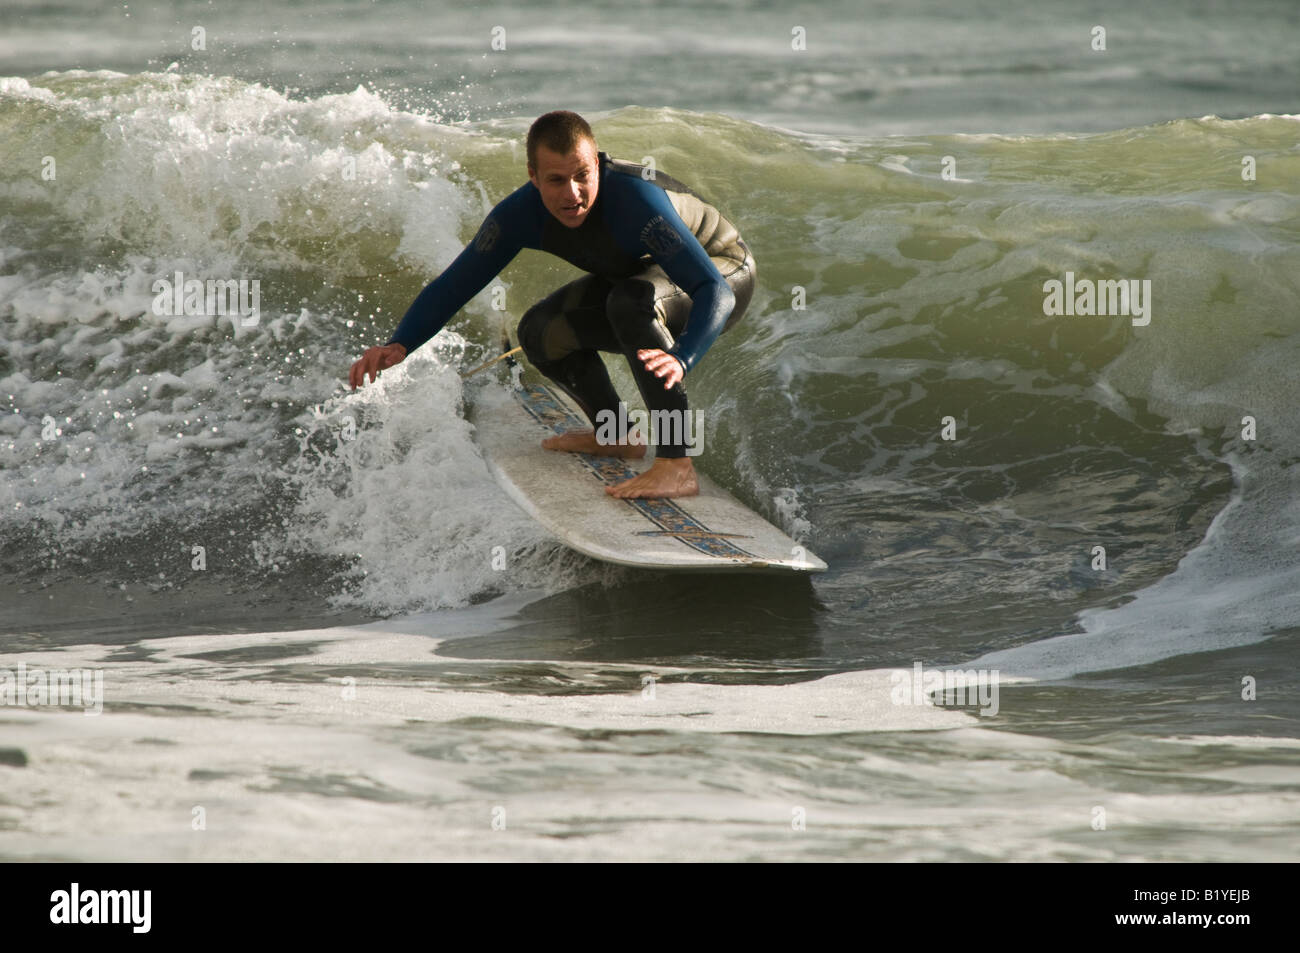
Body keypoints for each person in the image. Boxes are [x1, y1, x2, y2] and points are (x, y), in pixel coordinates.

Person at [348, 110, 755, 499]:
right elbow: (456, 284)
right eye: (556, 180)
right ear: (533, 177)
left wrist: (682, 358)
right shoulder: (518, 216)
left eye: (582, 176)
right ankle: (615, 434)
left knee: (630, 304)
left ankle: (676, 463)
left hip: (722, 272)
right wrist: (400, 343)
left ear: (596, 164)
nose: (572, 194)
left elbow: (711, 289)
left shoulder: (637, 203)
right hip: (640, 278)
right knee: (539, 332)